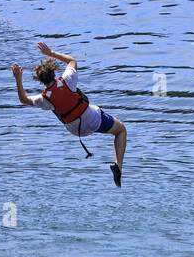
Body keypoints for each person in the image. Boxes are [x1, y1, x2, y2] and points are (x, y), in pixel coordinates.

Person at [11, 41, 128, 187]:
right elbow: (72, 60)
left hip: (74, 129)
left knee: (76, 112)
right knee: (121, 130)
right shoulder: (67, 80)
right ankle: (118, 167)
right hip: (91, 118)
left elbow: (24, 100)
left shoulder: (44, 99)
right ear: (53, 73)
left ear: (40, 81)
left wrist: (18, 79)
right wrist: (50, 53)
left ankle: (116, 167)